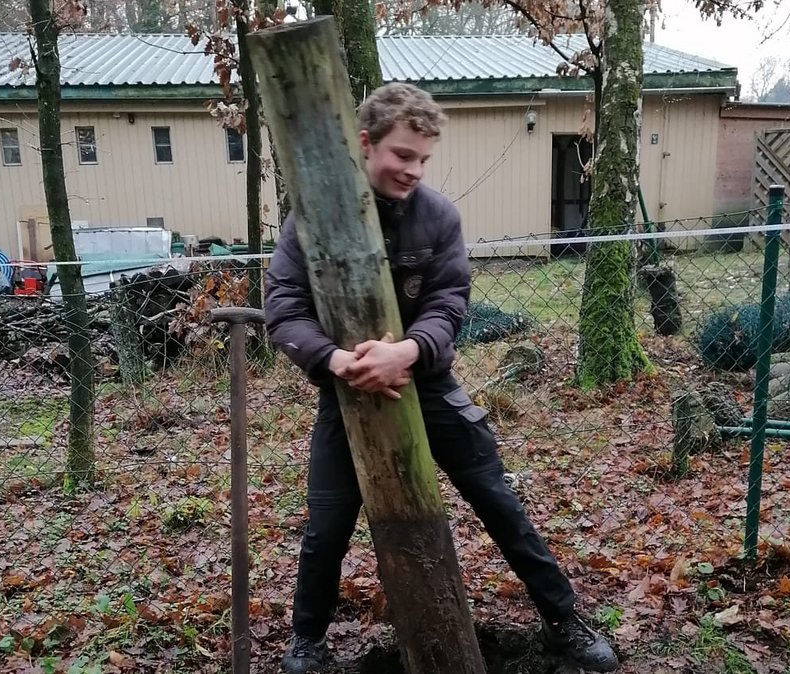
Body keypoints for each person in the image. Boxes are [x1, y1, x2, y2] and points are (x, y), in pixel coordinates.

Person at [263, 82, 618, 674]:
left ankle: (565, 622)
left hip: (428, 385)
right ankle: (308, 642)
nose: (414, 170)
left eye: (424, 159)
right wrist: (334, 361)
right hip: (346, 396)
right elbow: (284, 309)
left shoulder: (437, 218)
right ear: (366, 142)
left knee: (499, 501)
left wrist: (406, 352)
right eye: (403, 155)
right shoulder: (312, 222)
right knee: (326, 528)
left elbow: (450, 303)